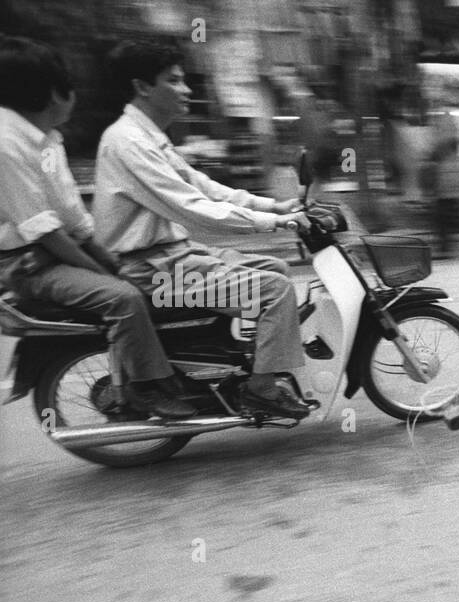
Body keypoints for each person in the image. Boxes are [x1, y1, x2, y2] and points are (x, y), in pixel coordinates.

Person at [93, 39, 313, 420]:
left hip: (172, 257)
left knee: (274, 270)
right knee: (276, 291)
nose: (187, 89)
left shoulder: (148, 136)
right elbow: (191, 206)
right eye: (174, 80)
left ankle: (241, 363)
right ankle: (261, 390)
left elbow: (201, 186)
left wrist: (272, 205)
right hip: (153, 269)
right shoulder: (128, 142)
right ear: (143, 87)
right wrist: (272, 223)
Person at [0, 36, 194, 419]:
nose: (75, 96)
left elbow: (72, 217)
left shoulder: (45, 140)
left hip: (50, 252)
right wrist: (104, 271)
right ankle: (145, 389)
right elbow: (44, 230)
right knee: (121, 297)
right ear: (49, 93)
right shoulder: (7, 144)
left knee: (138, 281)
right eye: (68, 86)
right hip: (27, 264)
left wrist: (112, 260)